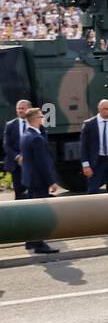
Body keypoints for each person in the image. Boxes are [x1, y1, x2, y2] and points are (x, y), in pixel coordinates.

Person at [19, 106, 59, 254]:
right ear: (35, 119)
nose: (43, 119)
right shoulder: (36, 138)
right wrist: (51, 181)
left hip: (30, 180)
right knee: (40, 213)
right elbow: (42, 163)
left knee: (31, 211)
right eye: (41, 117)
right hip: (39, 181)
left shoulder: (26, 134)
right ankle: (39, 244)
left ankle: (30, 241)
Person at [4, 98, 33, 201]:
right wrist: (17, 157)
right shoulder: (10, 125)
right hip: (16, 165)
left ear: (29, 109)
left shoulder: (35, 124)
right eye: (18, 108)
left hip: (32, 163)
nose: (20, 110)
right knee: (19, 194)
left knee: (33, 192)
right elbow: (6, 145)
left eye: (23, 108)